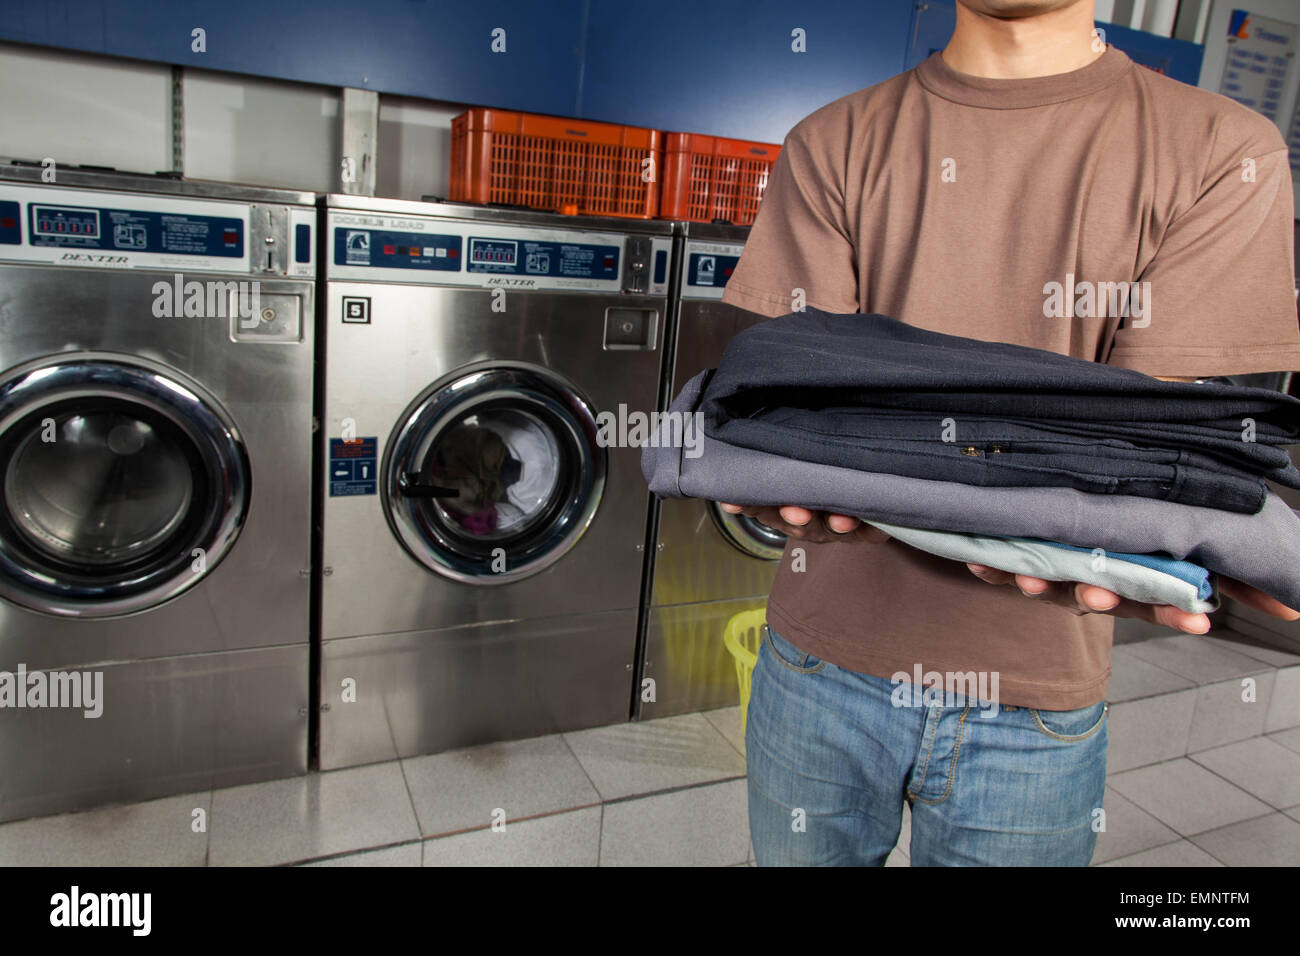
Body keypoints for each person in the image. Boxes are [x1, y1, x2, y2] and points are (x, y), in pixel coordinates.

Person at [718, 0, 1300, 866]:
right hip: (817, 662)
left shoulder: (1223, 151)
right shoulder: (831, 140)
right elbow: (796, 405)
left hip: (1032, 694)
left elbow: (1140, 453)